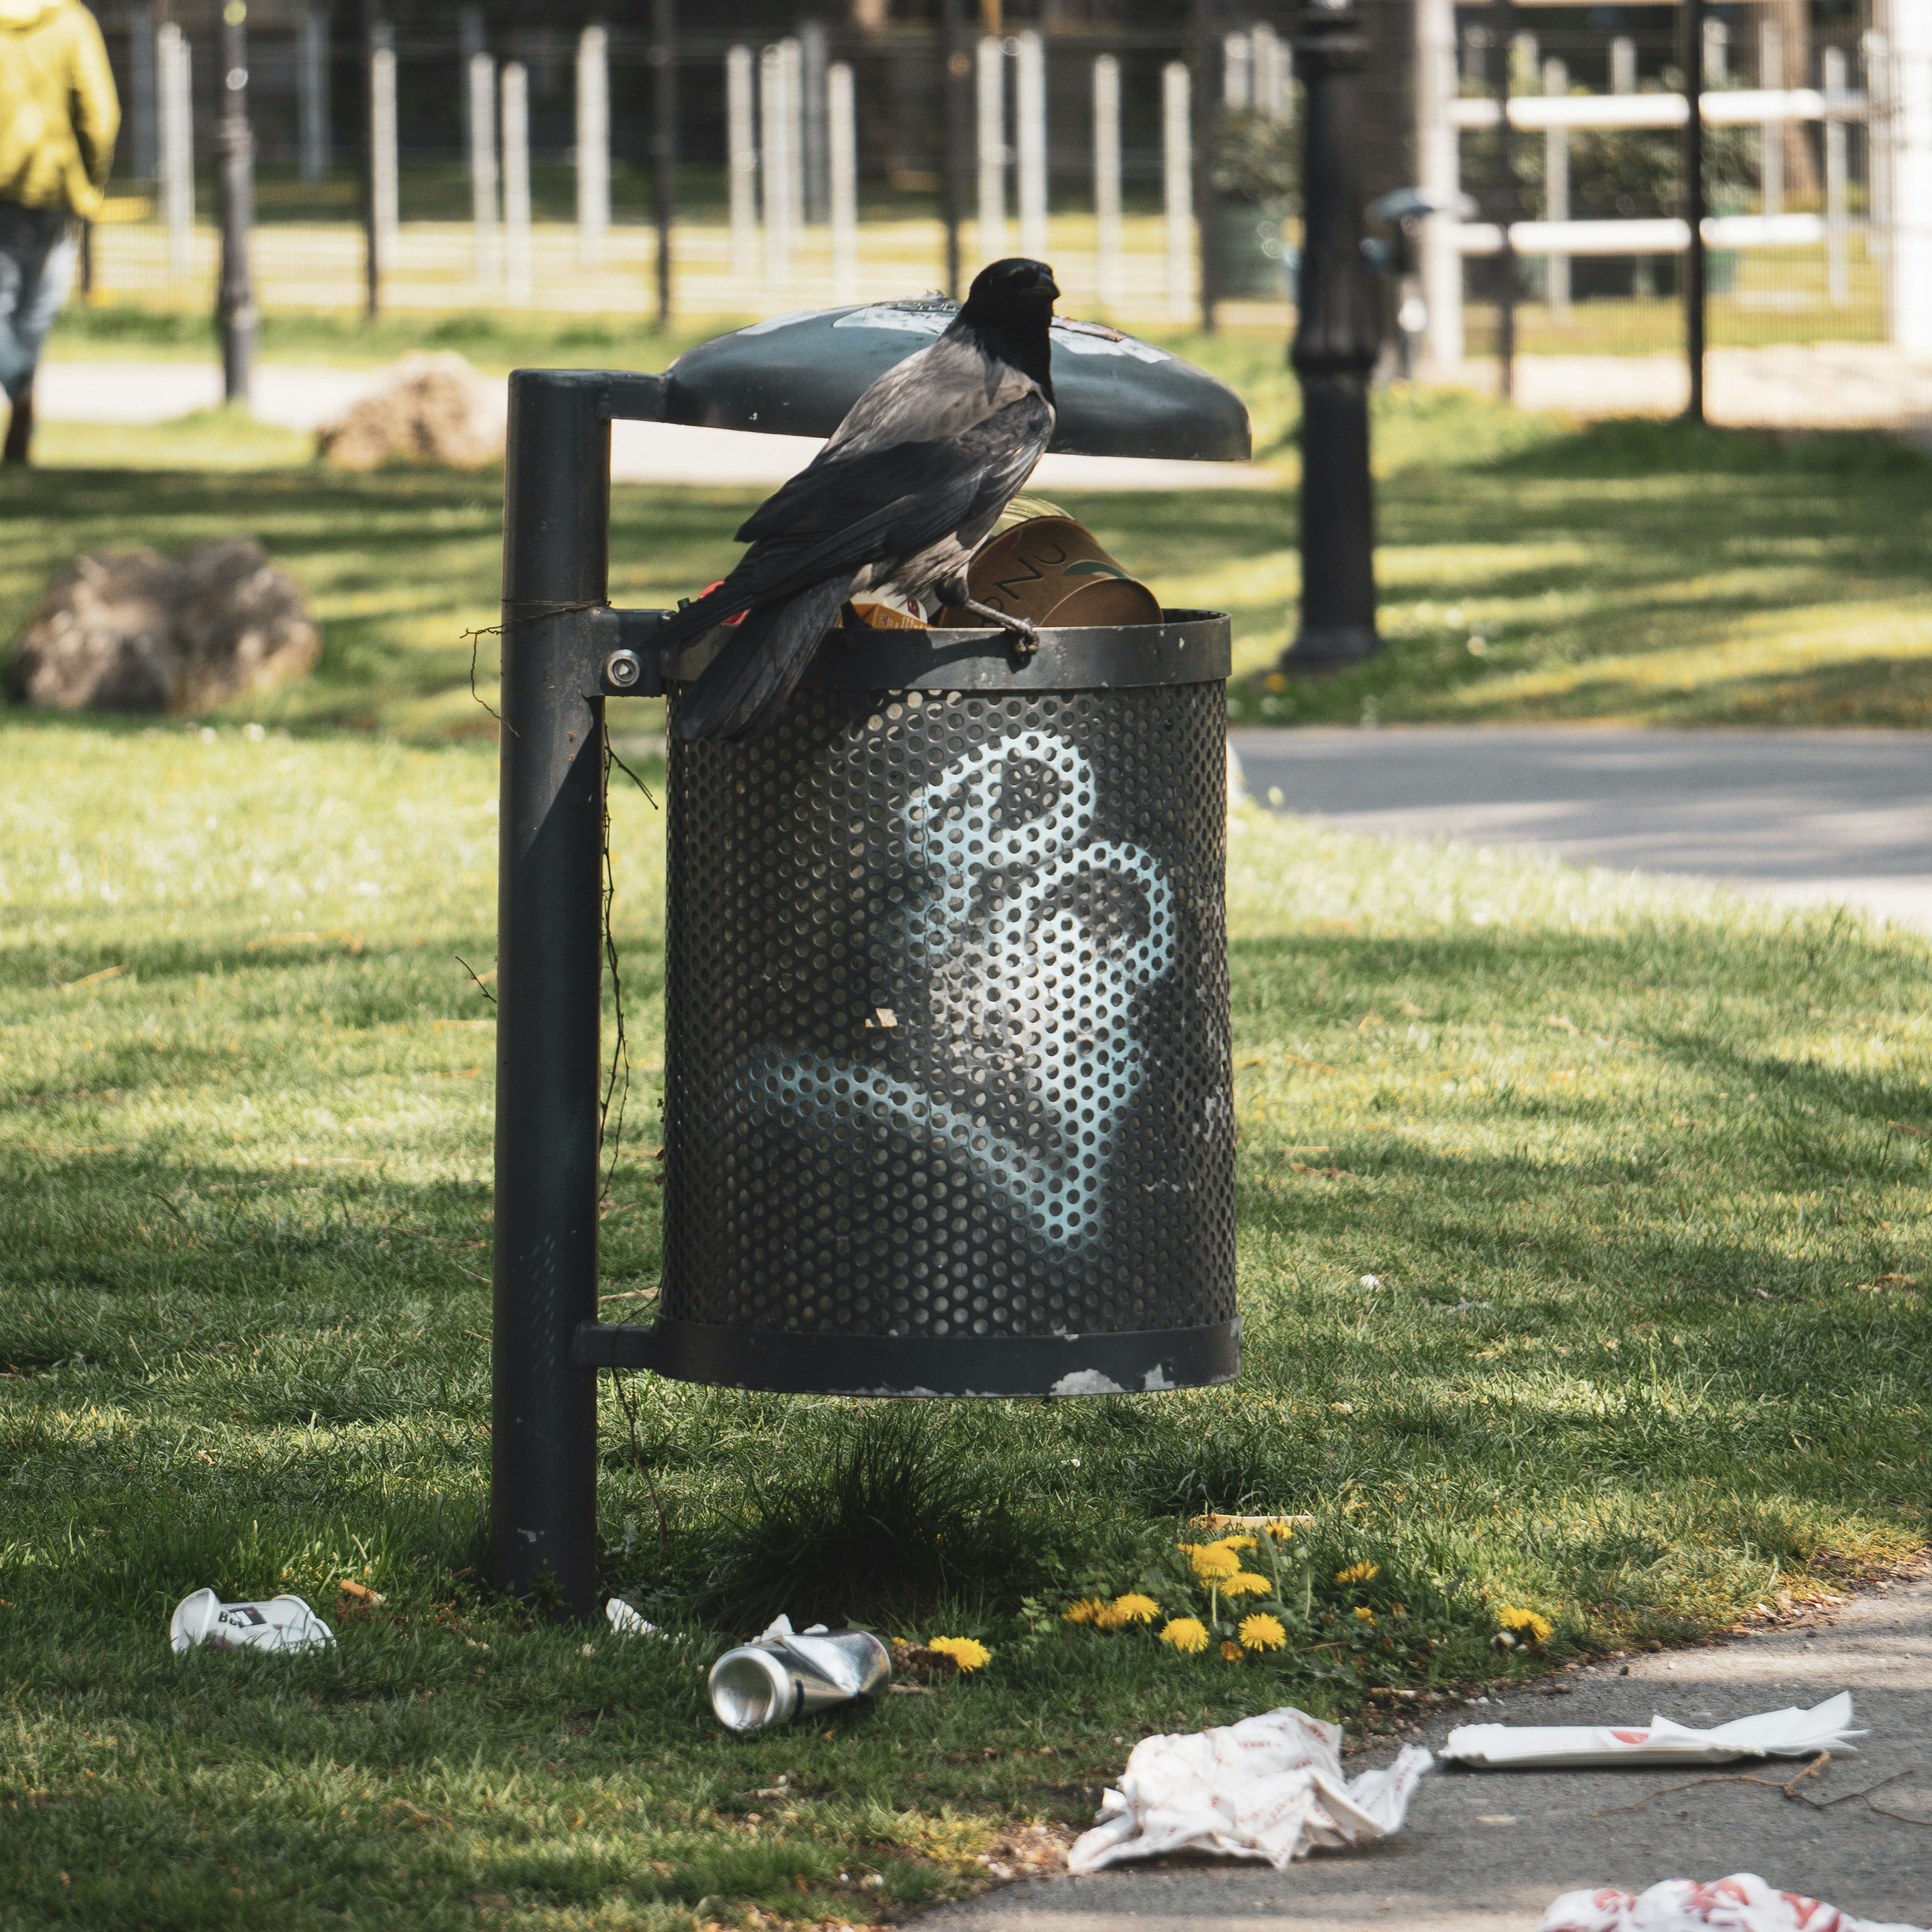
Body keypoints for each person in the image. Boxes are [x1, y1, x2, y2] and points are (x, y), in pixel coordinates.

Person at [0, 0, 118, 464]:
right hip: (50, 185)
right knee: (35, 312)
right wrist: (90, 180)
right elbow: (100, 114)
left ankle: (18, 393)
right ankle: (23, 395)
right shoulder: (71, 23)